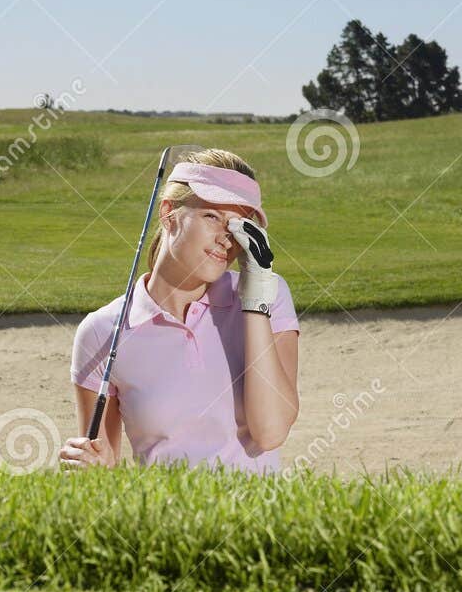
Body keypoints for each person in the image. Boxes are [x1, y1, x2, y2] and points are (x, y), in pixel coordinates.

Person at [60, 148, 300, 471]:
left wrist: (256, 300)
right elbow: (104, 469)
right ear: (168, 213)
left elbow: (270, 432)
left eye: (239, 227)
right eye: (212, 217)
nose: (226, 239)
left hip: (257, 517)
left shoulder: (269, 297)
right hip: (168, 517)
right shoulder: (101, 333)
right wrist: (91, 467)